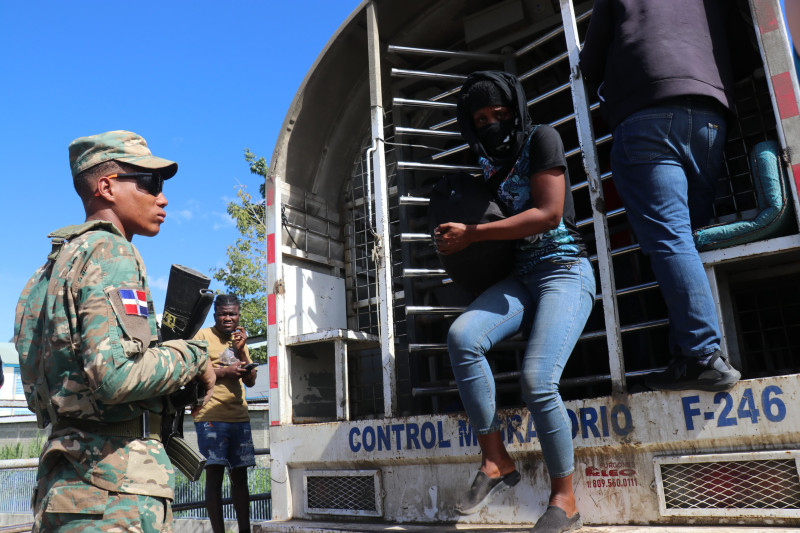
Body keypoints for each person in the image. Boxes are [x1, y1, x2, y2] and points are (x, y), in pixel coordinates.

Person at [14, 130, 216, 532]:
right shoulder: (113, 252)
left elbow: (52, 389)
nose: (162, 197)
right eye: (150, 182)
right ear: (106, 187)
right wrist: (194, 356)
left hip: (66, 486)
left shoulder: (49, 269)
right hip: (115, 492)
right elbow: (115, 378)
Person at [435, 71, 594, 533]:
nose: (491, 124)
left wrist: (474, 234)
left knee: (537, 379)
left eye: (499, 114)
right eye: (480, 117)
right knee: (462, 337)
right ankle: (495, 462)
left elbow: (547, 214)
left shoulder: (543, 138)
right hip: (520, 277)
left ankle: (564, 502)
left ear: (515, 110)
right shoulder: (484, 156)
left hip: (565, 271)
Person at [579, 0, 741, 392]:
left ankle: (703, 355)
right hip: (710, 115)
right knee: (690, 238)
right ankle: (687, 355)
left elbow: (589, 64)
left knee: (670, 239)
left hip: (647, 114)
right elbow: (740, 46)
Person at [192, 294, 258, 533]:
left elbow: (251, 381)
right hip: (211, 416)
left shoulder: (239, 340)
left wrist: (241, 352)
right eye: (223, 313)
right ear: (215, 315)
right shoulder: (202, 337)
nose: (228, 318)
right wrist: (225, 372)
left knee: (240, 479)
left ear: (239, 315)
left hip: (239, 417)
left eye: (232, 314)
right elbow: (193, 372)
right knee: (215, 477)